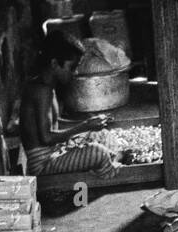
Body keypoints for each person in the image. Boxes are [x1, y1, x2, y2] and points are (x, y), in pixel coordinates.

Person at [19, 31, 116, 178]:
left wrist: (88, 123)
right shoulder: (41, 91)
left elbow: (55, 124)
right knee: (99, 153)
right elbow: (46, 138)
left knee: (103, 135)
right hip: (43, 163)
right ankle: (110, 170)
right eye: (72, 67)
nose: (75, 72)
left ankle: (104, 163)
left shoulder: (46, 86)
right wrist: (85, 126)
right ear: (54, 64)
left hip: (56, 151)